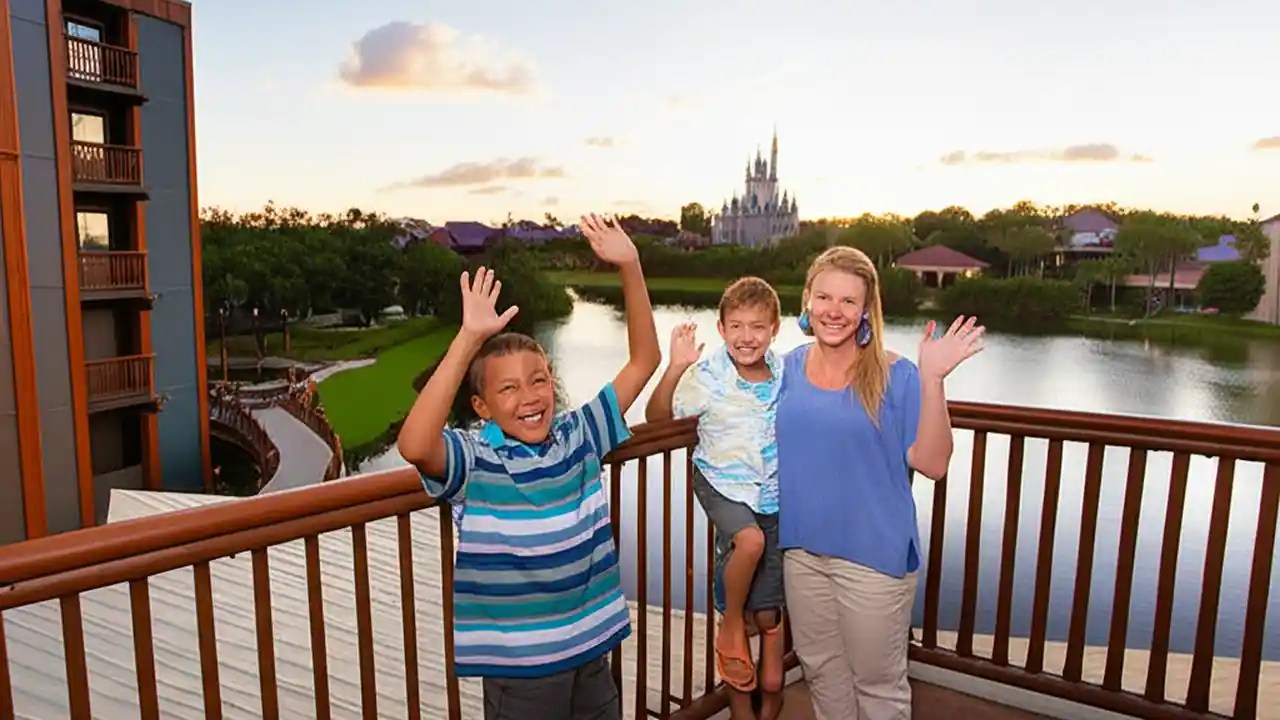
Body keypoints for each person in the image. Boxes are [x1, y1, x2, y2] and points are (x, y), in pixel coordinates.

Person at [396, 213, 660, 720]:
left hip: (590, 651)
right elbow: (414, 444)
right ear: (482, 408)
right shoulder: (477, 460)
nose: (530, 397)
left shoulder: (579, 435)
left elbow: (644, 360)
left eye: (539, 380)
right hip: (521, 669)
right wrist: (469, 339)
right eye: (508, 388)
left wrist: (631, 265)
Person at [775, 246, 983, 720]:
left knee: (878, 687)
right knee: (822, 672)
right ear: (807, 299)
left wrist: (933, 380)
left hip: (872, 560)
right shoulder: (786, 368)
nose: (834, 310)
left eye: (849, 301)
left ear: (867, 309)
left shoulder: (896, 375)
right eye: (824, 296)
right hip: (803, 553)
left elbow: (933, 463)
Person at [645, 277, 787, 720]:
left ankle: (765, 696)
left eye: (758, 327)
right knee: (749, 543)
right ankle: (728, 626)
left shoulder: (785, 373)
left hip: (771, 494)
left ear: (775, 329)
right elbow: (657, 417)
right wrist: (674, 367)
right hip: (721, 482)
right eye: (738, 326)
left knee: (766, 615)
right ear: (722, 329)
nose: (748, 337)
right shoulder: (707, 377)